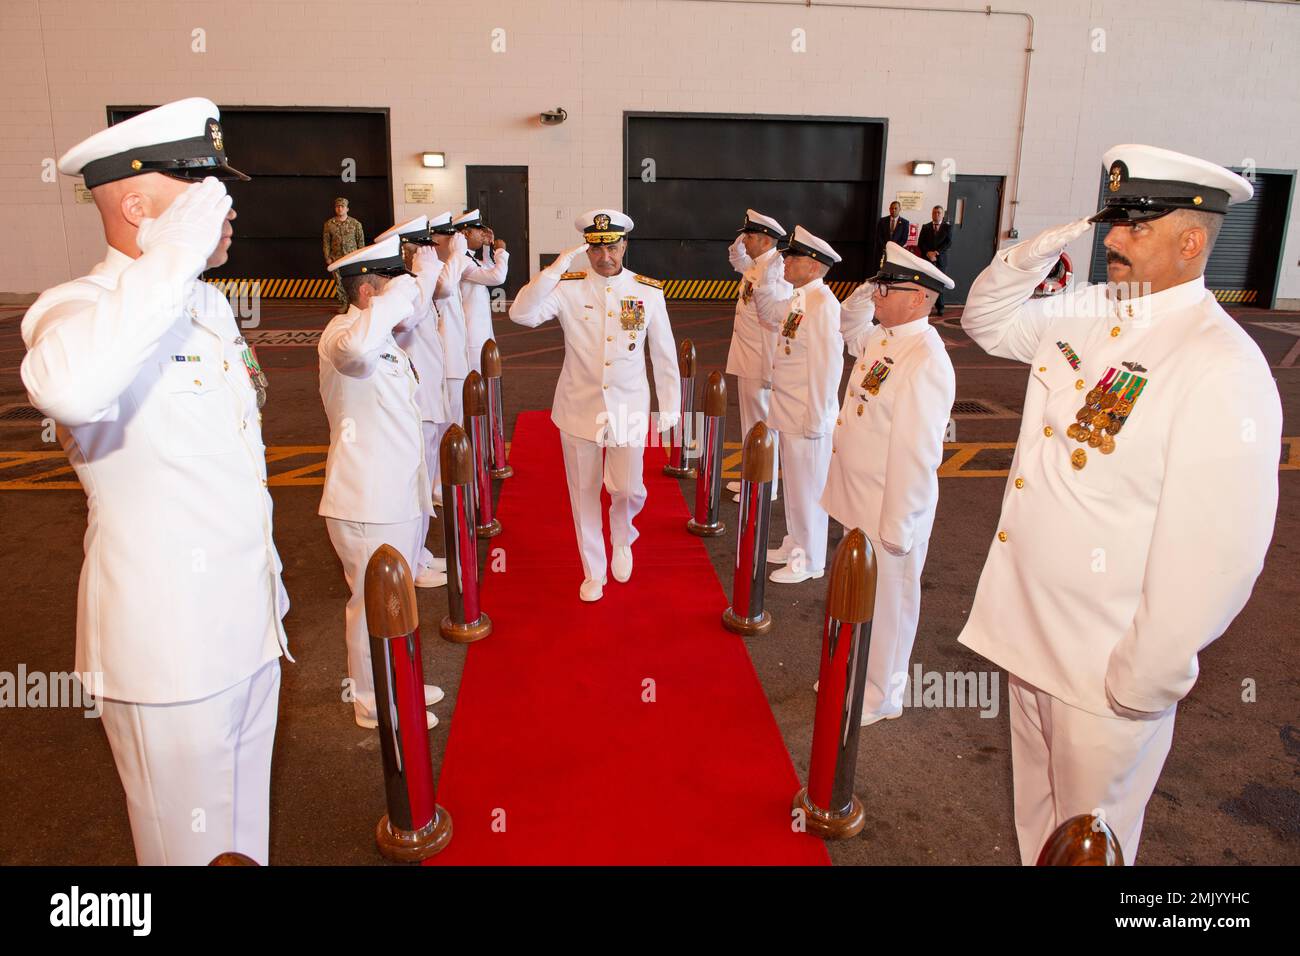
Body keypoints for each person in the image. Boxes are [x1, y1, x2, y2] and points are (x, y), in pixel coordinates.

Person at [958, 145, 1281, 864]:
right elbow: (988, 323)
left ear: (1191, 241)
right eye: (1114, 220)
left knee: (1092, 842)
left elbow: (1219, 551)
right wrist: (1031, 252)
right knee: (1037, 823)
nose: (1112, 240)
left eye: (1135, 225)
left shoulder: (1218, 364)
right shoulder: (1089, 308)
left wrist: (1144, 676)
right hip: (1030, 632)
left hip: (1106, 667)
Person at [20, 97, 290, 865]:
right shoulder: (77, 309)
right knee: (183, 851)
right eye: (201, 191)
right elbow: (71, 389)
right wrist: (171, 257)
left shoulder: (204, 308)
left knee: (243, 842)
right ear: (137, 205)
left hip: (248, 623)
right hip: (168, 651)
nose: (225, 207)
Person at [508, 209, 679, 601]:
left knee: (629, 488)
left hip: (628, 407)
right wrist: (553, 270)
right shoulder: (568, 287)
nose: (605, 257)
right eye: (596, 250)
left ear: (624, 245)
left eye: (613, 247)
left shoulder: (647, 291)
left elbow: (664, 354)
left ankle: (623, 536)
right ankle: (593, 569)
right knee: (583, 493)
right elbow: (521, 314)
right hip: (578, 406)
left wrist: (669, 406)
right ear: (587, 250)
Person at [821, 242, 955, 725]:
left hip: (889, 505)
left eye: (887, 287)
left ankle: (882, 691)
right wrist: (867, 295)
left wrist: (901, 524)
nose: (876, 295)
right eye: (878, 285)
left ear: (919, 298)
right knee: (858, 592)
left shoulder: (925, 357)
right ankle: (856, 670)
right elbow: (846, 323)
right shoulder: (883, 337)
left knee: (891, 603)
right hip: (859, 495)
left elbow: (918, 452)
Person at [320, 236, 445, 730]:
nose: (406, 297)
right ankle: (376, 702)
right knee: (372, 607)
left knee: (398, 602)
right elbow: (355, 352)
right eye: (395, 287)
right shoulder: (342, 333)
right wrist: (393, 298)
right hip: (367, 499)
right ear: (371, 292)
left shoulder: (383, 336)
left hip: (397, 494)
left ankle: (400, 683)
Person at [752, 225, 844, 584]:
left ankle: (810, 559)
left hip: (808, 414)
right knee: (794, 485)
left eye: (794, 258)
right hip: (789, 409)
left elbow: (827, 365)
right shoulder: (799, 300)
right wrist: (765, 277)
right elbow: (768, 314)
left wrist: (818, 418)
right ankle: (795, 543)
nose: (786, 262)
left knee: (809, 489)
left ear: (814, 265)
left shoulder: (822, 306)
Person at [373, 215, 451, 589]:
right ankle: (413, 562)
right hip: (414, 402)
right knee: (413, 485)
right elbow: (408, 321)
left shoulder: (412, 285)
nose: (429, 253)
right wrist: (422, 274)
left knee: (421, 482)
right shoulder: (398, 289)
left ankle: (418, 553)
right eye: (421, 248)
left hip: (428, 396)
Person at [725, 209, 792, 504]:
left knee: (761, 424)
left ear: (765, 241)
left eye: (750, 236)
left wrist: (770, 368)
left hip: (760, 359)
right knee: (750, 422)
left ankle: (764, 487)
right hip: (747, 355)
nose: (746, 241)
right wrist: (738, 243)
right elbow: (737, 260)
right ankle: (752, 478)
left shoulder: (775, 270)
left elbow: (775, 321)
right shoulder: (758, 264)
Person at [428, 212, 471, 439]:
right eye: (449, 237)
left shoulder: (446, 266)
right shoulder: (434, 270)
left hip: (455, 360)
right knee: (449, 433)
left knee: (456, 427)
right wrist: (456, 255)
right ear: (435, 240)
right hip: (446, 364)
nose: (454, 240)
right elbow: (443, 288)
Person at [453, 208, 510, 374]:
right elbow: (496, 277)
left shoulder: (469, 258)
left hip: (481, 329)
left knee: (486, 376)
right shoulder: (462, 262)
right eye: (479, 230)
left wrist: (487, 248)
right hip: (472, 334)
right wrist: (501, 251)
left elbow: (488, 269)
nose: (484, 234)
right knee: (476, 378)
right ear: (466, 233)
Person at [323, 197, 365, 311]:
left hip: (352, 258)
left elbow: (360, 242)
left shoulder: (356, 224)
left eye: (342, 206)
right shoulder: (329, 224)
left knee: (354, 281)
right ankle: (344, 304)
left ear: (347, 209)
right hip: (336, 258)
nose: (340, 208)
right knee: (339, 282)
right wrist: (327, 257)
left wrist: (361, 257)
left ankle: (355, 304)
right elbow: (326, 242)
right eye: (337, 206)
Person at [917, 206, 953, 315]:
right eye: (934, 212)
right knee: (926, 283)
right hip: (927, 259)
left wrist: (936, 253)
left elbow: (948, 243)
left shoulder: (948, 227)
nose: (936, 214)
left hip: (940, 259)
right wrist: (928, 253)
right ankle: (925, 306)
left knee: (939, 283)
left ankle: (940, 307)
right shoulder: (926, 227)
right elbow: (921, 243)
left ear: (942, 214)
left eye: (939, 212)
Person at [874, 201, 909, 270]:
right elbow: (879, 236)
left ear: (899, 209)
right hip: (883, 251)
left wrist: (894, 248)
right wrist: (885, 247)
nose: (893, 210)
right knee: (882, 270)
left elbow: (904, 239)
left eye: (896, 208)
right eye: (892, 208)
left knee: (894, 270)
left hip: (896, 253)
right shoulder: (882, 221)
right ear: (889, 209)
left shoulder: (905, 223)